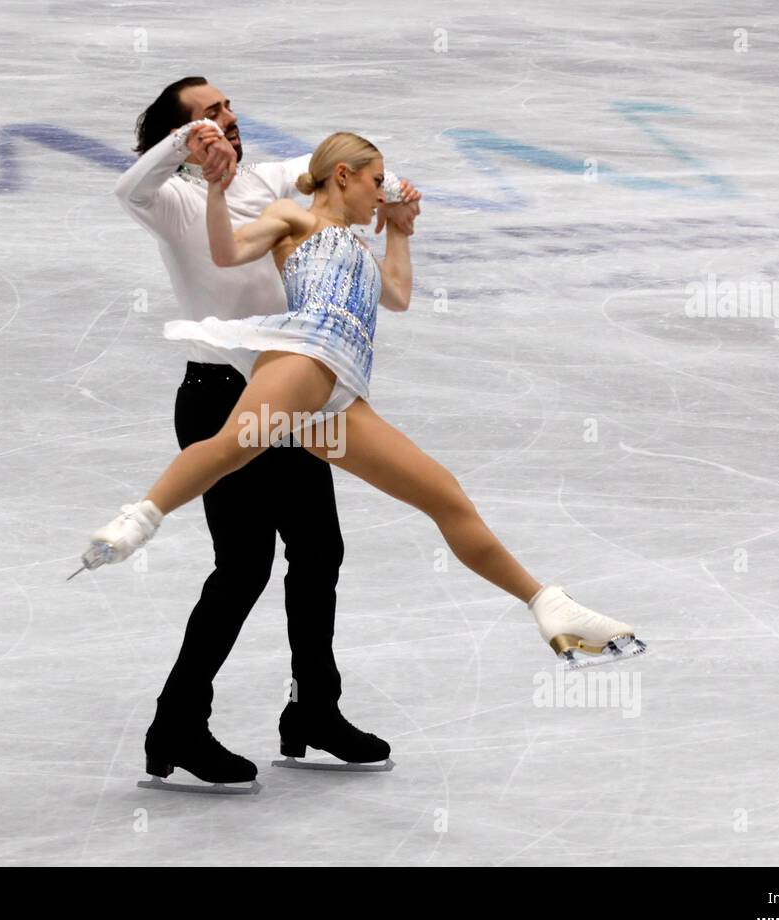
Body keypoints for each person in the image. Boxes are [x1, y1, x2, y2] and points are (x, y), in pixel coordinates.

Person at [88, 130, 647, 747]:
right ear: (345, 175)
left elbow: (399, 295)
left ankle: (546, 603)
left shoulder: (359, 242)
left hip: (342, 392)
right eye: (377, 181)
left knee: (444, 495)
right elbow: (224, 253)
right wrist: (219, 191)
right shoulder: (290, 216)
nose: (383, 191)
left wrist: (401, 228)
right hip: (304, 354)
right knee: (233, 446)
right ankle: (135, 522)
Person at [110, 78, 423, 789]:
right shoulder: (174, 198)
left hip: (291, 392)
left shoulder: (272, 178)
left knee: (319, 550)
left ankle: (314, 710)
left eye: (226, 108)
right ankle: (176, 724)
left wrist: (400, 193)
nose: (227, 117)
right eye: (207, 115)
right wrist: (182, 149)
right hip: (221, 398)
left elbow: (342, 167)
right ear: (182, 137)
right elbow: (125, 189)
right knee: (244, 568)